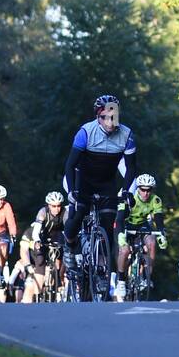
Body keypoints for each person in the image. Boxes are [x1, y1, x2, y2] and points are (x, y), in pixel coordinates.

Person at [61, 94, 137, 296]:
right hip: (83, 179)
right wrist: (71, 193)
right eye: (107, 116)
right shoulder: (85, 132)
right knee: (78, 213)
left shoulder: (127, 134)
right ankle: (69, 245)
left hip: (106, 183)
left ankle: (102, 272)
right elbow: (70, 164)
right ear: (98, 117)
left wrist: (127, 191)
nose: (111, 121)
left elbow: (131, 168)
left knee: (107, 225)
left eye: (115, 115)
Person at [114, 173, 166, 301]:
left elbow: (158, 220)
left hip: (141, 225)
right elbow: (119, 219)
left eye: (149, 190)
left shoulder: (155, 200)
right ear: (138, 188)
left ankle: (147, 277)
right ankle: (121, 281)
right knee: (125, 250)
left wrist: (161, 234)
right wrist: (121, 235)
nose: (146, 193)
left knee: (152, 243)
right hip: (125, 224)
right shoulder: (128, 198)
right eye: (143, 189)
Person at [17, 191, 67, 302]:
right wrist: (38, 241)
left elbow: (68, 229)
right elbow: (36, 232)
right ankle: (37, 294)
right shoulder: (43, 212)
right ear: (48, 205)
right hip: (42, 238)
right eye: (53, 206)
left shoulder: (64, 212)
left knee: (64, 256)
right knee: (40, 262)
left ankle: (60, 282)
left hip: (57, 237)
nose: (57, 209)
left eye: (59, 205)